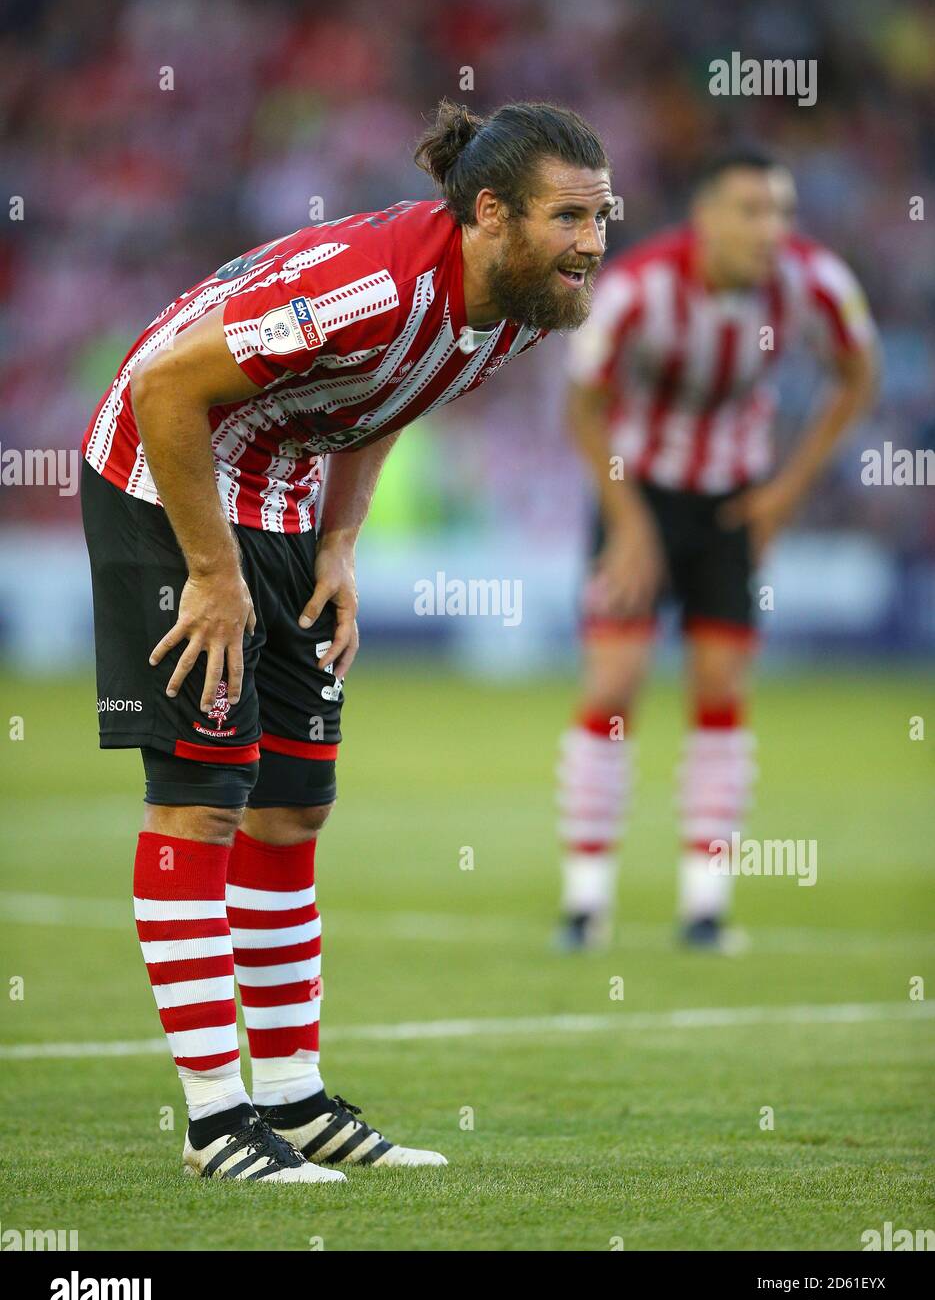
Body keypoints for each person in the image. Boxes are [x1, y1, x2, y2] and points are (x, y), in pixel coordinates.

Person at [81, 98, 612, 1183]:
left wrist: (339, 542)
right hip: (165, 476)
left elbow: (388, 397)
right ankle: (216, 1124)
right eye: (569, 217)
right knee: (202, 795)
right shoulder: (367, 283)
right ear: (491, 213)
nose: (592, 243)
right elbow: (164, 384)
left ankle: (294, 1099)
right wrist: (215, 574)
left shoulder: (519, 302)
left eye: (602, 215)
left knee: (294, 802)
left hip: (279, 497)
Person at [555, 148, 878, 953]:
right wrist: (627, 524)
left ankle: (704, 906)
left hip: (733, 498)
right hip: (637, 492)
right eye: (750, 210)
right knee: (616, 681)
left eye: (780, 211)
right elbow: (582, 404)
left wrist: (786, 488)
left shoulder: (812, 281)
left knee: (720, 684)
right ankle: (585, 901)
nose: (770, 228)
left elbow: (856, 373)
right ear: (704, 217)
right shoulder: (637, 287)